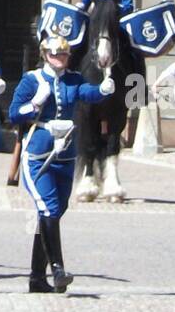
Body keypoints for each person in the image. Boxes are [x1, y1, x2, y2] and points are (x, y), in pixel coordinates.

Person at [10, 33, 110, 292]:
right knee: (48, 208)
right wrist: (35, 102)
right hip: (38, 155)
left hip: (65, 155)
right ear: (44, 54)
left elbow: (86, 93)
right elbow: (13, 113)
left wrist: (103, 89)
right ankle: (58, 269)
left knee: (54, 211)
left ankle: (36, 277)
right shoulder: (31, 80)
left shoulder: (73, 79)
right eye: (55, 54)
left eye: (64, 55)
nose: (59, 59)